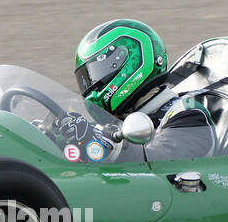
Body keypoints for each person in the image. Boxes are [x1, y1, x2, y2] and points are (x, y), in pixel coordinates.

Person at [65, 19, 218, 162]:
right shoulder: (119, 121)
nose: (93, 86)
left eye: (98, 73)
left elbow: (159, 160)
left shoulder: (188, 115)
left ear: (133, 62)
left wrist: (108, 148)